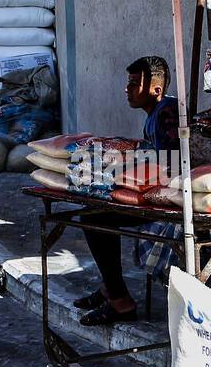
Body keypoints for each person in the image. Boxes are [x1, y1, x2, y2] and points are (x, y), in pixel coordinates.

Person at [76, 56, 179, 326]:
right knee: (93, 211)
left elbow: (171, 165)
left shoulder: (167, 113)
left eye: (134, 84)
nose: (127, 89)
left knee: (93, 220)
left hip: (169, 199)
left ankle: (120, 302)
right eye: (128, 82)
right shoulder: (155, 115)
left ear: (155, 90)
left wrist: (132, 165)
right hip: (153, 190)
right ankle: (109, 289)